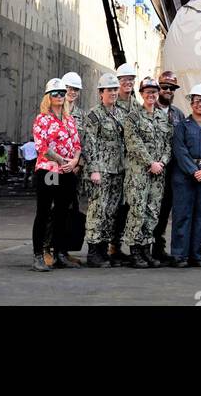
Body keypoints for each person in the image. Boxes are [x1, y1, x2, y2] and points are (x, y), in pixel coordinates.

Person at [31, 78, 81, 273]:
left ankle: (60, 252)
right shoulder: (42, 119)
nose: (59, 96)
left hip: (67, 171)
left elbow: (77, 145)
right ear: (48, 97)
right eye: (55, 93)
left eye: (62, 93)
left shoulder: (70, 120)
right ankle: (38, 255)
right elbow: (42, 147)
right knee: (44, 212)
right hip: (49, 171)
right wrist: (62, 161)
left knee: (63, 212)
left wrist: (75, 161)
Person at [122, 76, 172, 268]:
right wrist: (151, 162)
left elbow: (168, 142)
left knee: (152, 212)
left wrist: (162, 162)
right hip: (139, 174)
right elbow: (134, 143)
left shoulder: (162, 117)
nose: (151, 95)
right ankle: (135, 250)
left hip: (158, 174)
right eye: (147, 92)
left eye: (154, 92)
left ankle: (146, 249)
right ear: (142, 94)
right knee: (137, 211)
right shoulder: (133, 117)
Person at [170, 83, 201, 267]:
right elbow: (180, 151)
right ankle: (179, 255)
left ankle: (195, 255)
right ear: (191, 102)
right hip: (184, 177)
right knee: (182, 215)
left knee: (200, 217)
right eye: (196, 100)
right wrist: (193, 171)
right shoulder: (182, 126)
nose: (199, 104)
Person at [81, 71, 124, 267]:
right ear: (101, 92)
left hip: (118, 170)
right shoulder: (94, 115)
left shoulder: (121, 113)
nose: (113, 92)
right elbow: (89, 144)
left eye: (115, 89)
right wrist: (94, 170)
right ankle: (93, 252)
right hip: (101, 170)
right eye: (109, 89)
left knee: (111, 211)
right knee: (97, 210)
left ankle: (104, 249)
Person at [152, 71, 186, 263]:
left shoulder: (178, 114)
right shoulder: (148, 110)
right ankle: (142, 249)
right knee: (148, 211)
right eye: (165, 87)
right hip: (151, 171)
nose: (168, 91)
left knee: (164, 211)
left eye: (172, 88)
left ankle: (158, 248)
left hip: (171, 171)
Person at [109, 63, 137, 265]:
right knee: (110, 206)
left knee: (126, 207)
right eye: (123, 79)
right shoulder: (111, 103)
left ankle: (117, 246)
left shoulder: (137, 105)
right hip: (113, 164)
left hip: (132, 166)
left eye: (131, 79)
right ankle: (106, 247)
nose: (128, 82)